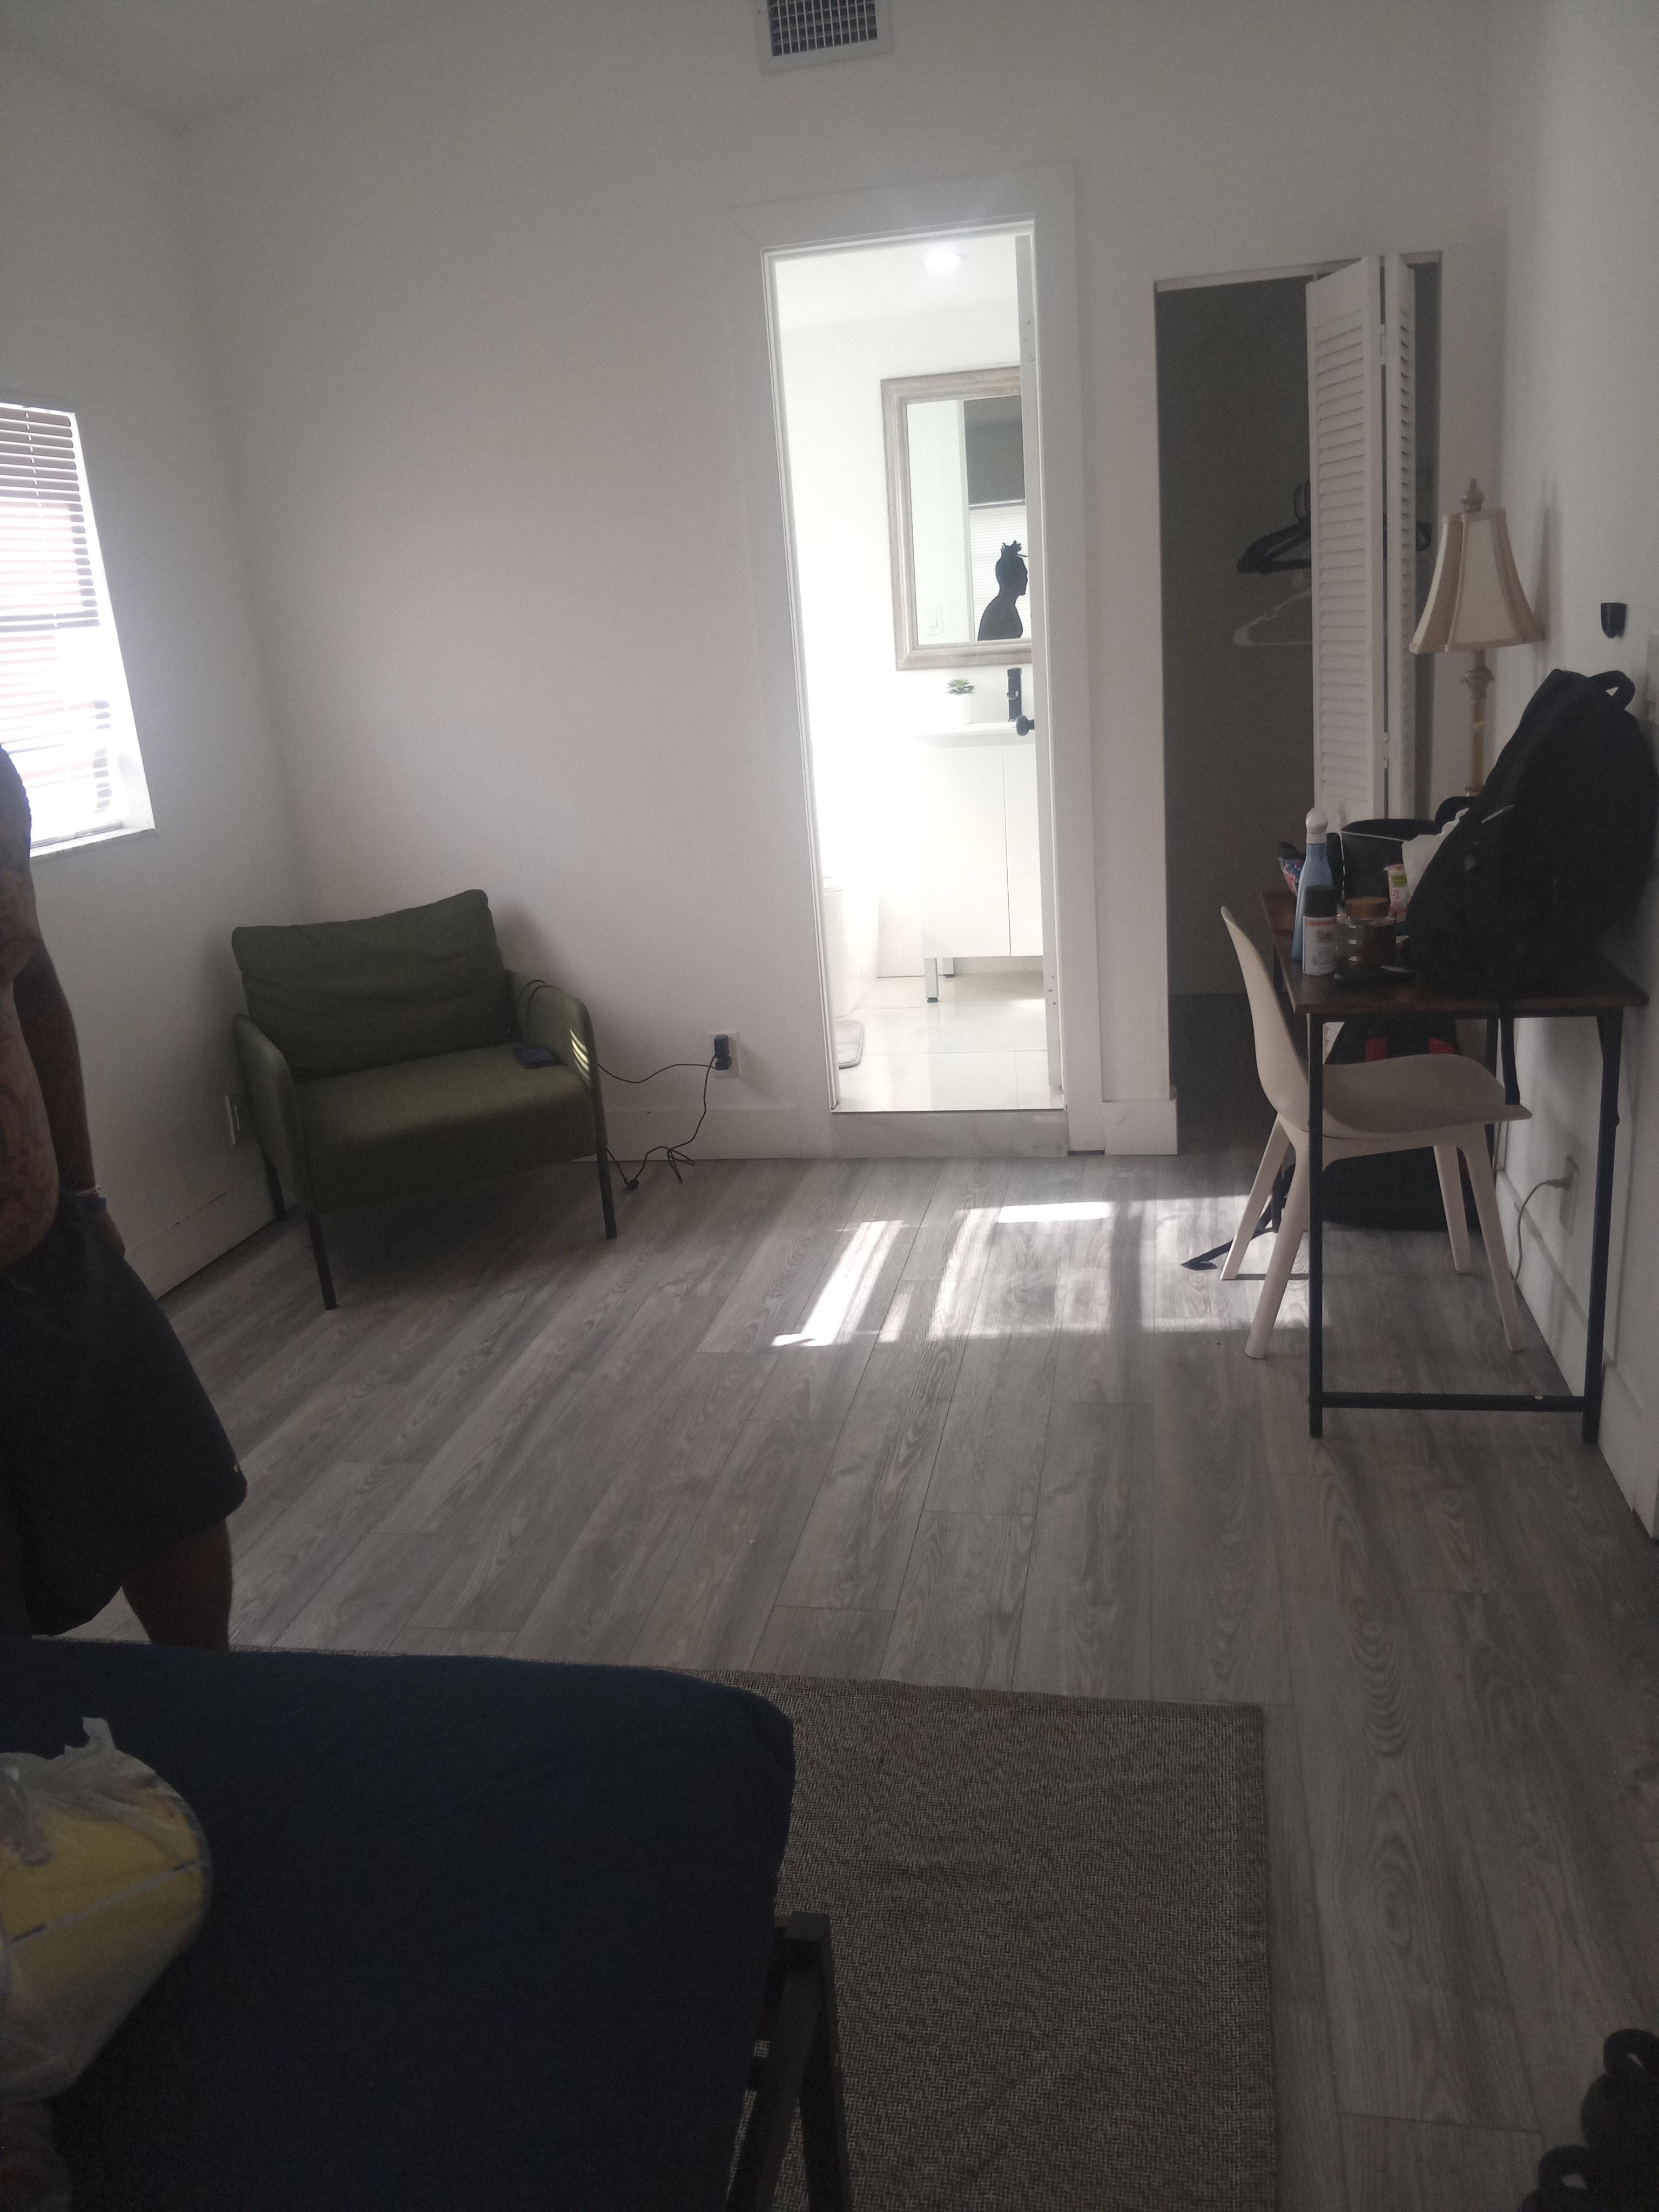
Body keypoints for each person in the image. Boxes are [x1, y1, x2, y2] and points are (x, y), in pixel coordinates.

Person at [0, 746, 244, 1646]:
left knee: (179, 1499)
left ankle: (208, 1705)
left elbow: (35, 990)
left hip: (54, 1249)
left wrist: (84, 1193)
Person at [976, 538, 1028, 642]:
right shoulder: (1000, 611)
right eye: (1024, 576)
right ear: (1015, 579)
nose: (1027, 580)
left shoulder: (1005, 607)